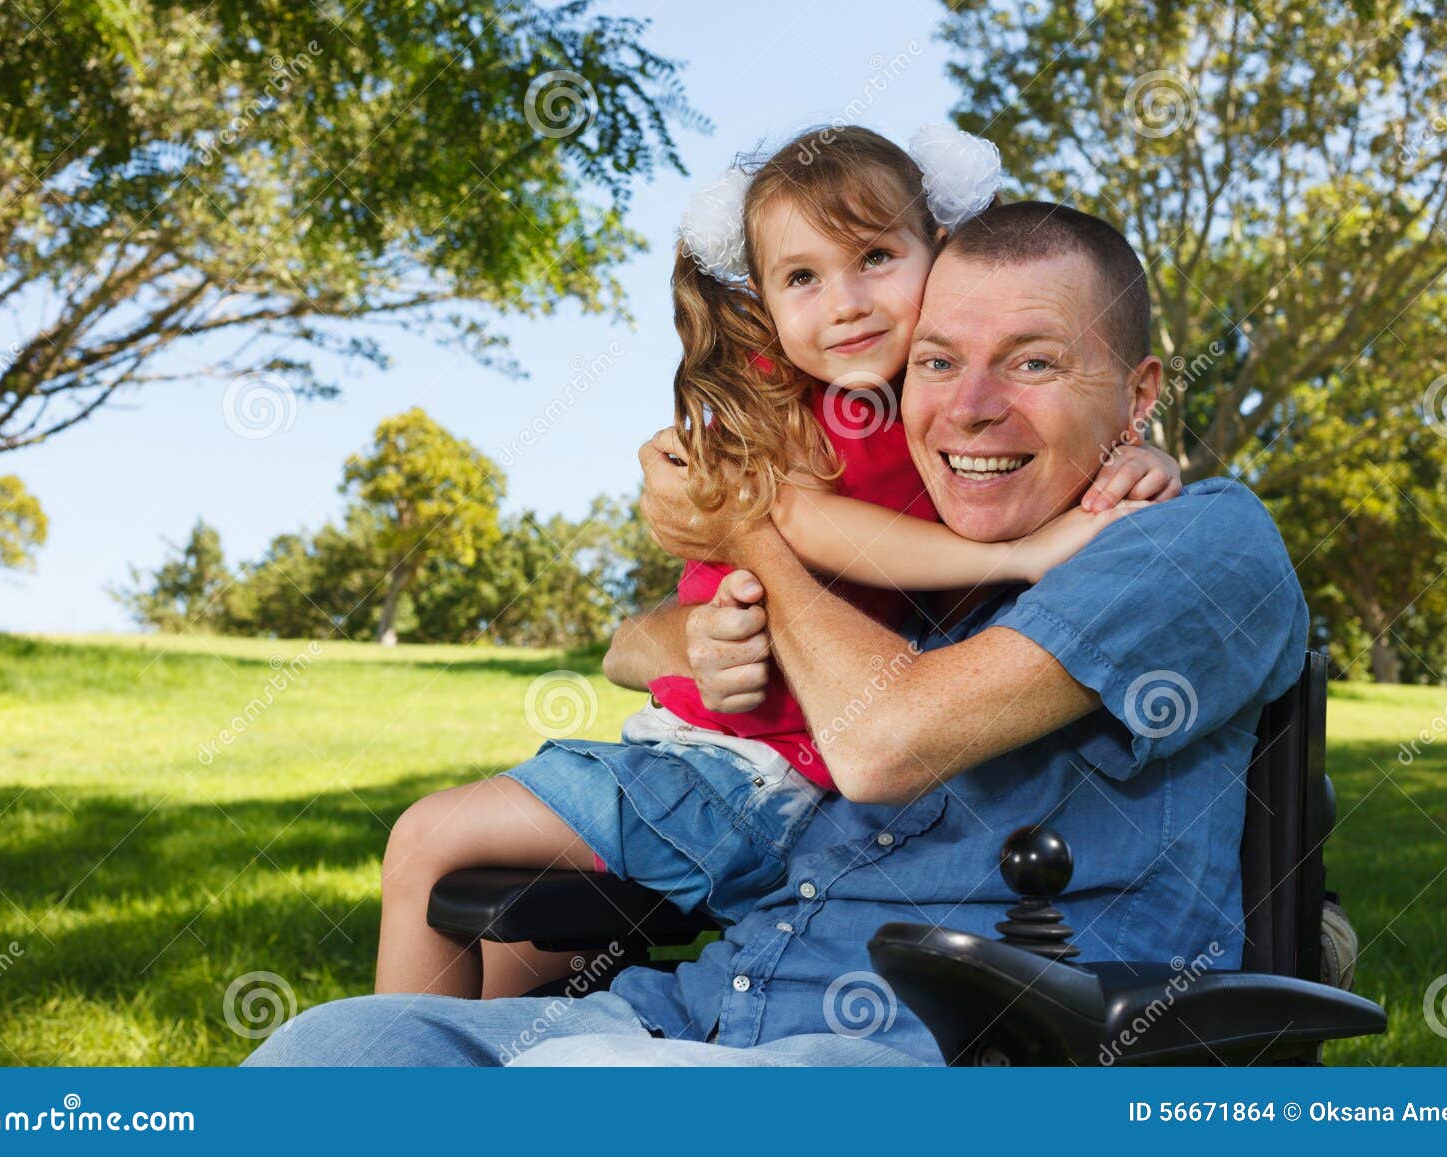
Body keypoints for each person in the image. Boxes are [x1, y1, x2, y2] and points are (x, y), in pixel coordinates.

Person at [242, 198, 1309, 1067]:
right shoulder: (913, 551)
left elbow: (880, 741)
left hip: (938, 1050)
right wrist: (699, 636)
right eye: (935, 363)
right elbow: (637, 646)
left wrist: (751, 523)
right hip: (695, 1010)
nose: (969, 406)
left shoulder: (1196, 540)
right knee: (335, 1050)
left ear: (1137, 395)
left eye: (1031, 362)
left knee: (578, 1087)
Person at [373, 125, 1181, 999]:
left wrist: (1130, 471)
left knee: (425, 838)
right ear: (761, 296)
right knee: (499, 974)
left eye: (875, 256)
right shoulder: (798, 403)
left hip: (742, 774)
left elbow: (794, 518)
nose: (846, 302)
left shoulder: (930, 409)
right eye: (803, 277)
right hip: (709, 749)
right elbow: (667, 613)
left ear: (938, 252)